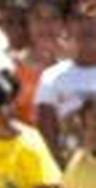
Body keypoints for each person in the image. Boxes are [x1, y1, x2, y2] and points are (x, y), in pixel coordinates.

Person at [36, 1, 96, 167]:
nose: (88, 25)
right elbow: (47, 141)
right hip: (71, 179)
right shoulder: (51, 78)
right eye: (79, 18)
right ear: (67, 25)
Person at [14, 0, 65, 124]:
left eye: (53, 18)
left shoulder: (80, 64)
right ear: (28, 22)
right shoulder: (12, 65)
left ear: (63, 23)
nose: (45, 25)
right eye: (38, 18)